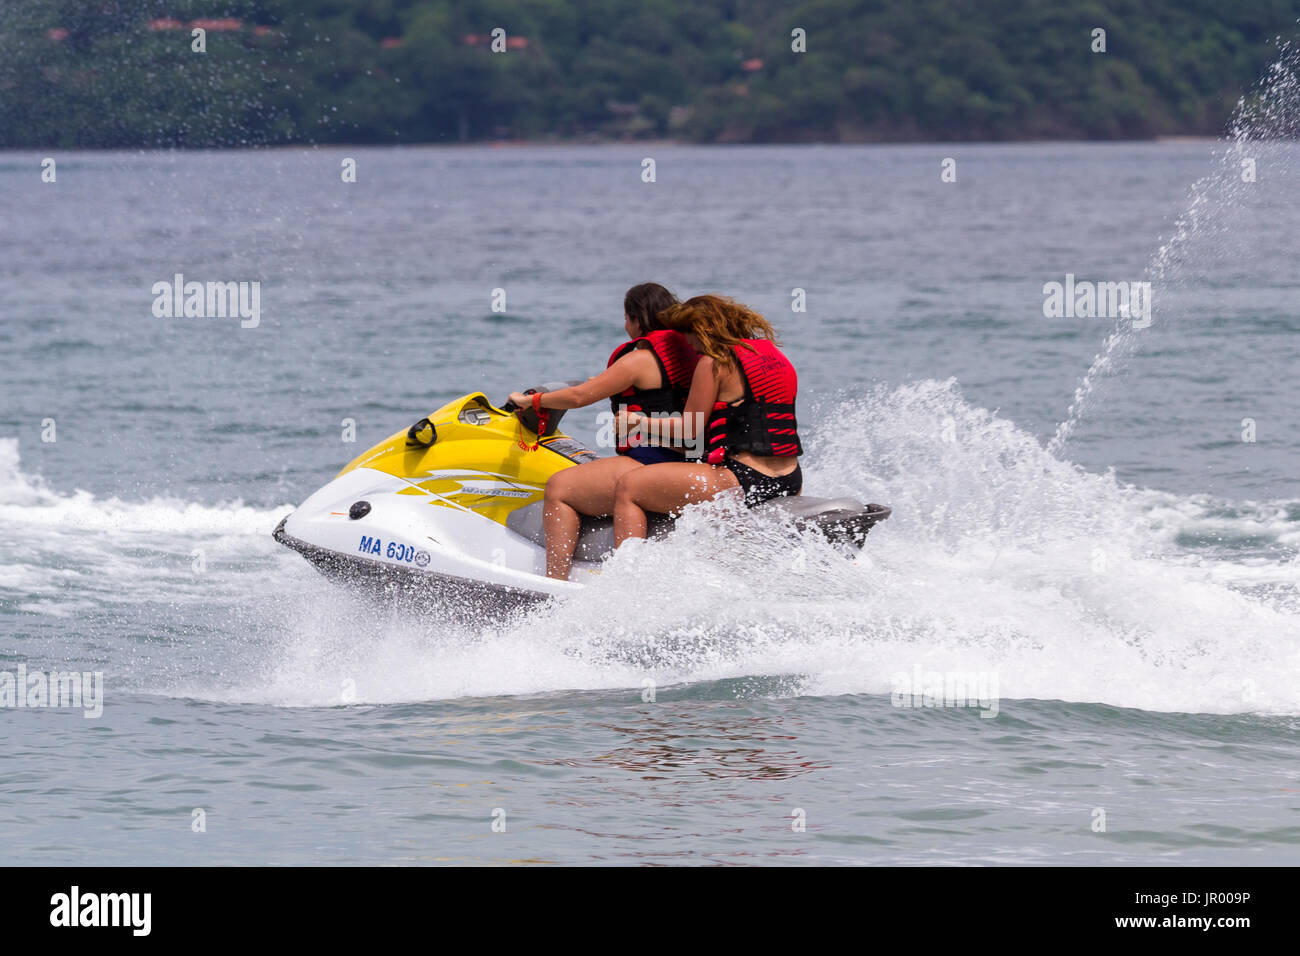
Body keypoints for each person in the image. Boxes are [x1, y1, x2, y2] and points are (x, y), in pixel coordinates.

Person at [507, 283, 699, 579]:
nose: (626, 326)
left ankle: (555, 583)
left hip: (651, 462)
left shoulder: (638, 360)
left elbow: (578, 397)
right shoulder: (689, 353)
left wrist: (530, 400)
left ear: (637, 319)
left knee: (558, 489)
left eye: (626, 318)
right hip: (692, 460)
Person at [611, 294, 802, 545]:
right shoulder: (772, 354)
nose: (689, 345)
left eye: (687, 335)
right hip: (791, 479)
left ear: (699, 330)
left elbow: (689, 428)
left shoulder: (714, 361)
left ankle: (625, 577)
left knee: (629, 487)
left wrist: (638, 422)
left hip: (744, 479)